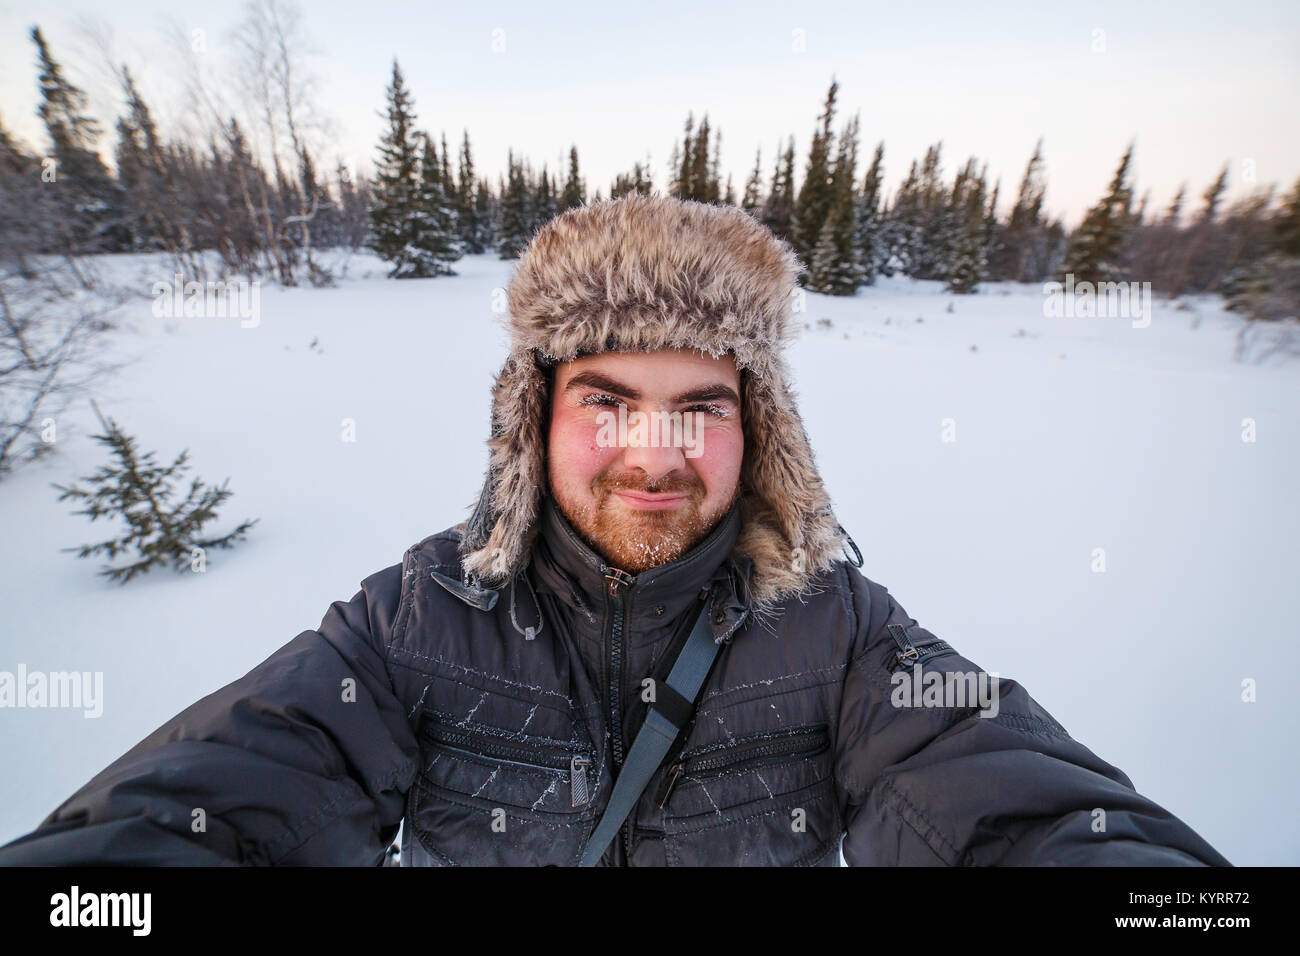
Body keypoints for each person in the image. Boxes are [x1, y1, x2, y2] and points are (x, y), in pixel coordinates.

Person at [0, 193, 1229, 866]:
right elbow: (210, 803)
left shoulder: (845, 633)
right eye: (608, 403)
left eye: (700, 407)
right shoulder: (412, 622)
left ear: (761, 434)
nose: (656, 454)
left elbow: (1022, 806)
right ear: (533, 422)